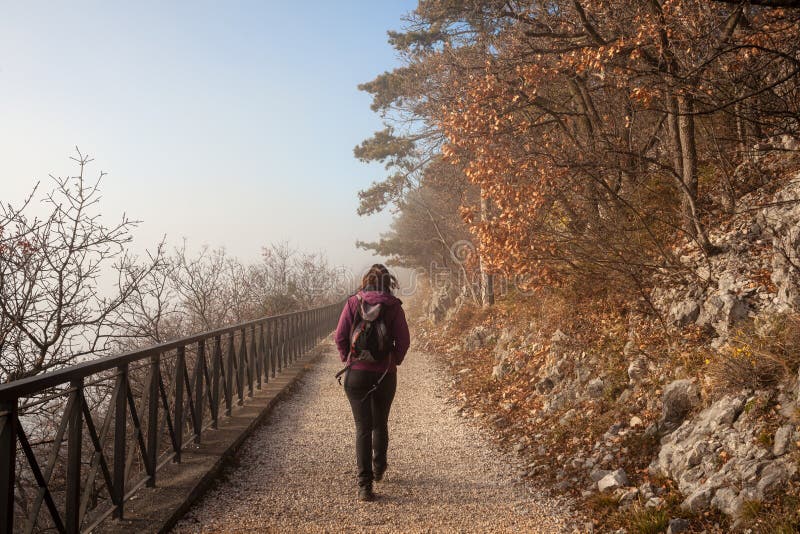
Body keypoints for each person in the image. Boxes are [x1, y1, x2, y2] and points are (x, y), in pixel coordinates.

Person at [334, 264, 410, 502]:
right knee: (380, 423)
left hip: (356, 373)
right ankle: (379, 467)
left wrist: (349, 358)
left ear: (366, 280)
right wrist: (392, 360)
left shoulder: (353, 302)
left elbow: (340, 337)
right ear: (388, 282)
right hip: (384, 374)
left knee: (362, 428)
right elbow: (404, 341)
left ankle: (364, 486)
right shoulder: (394, 307)